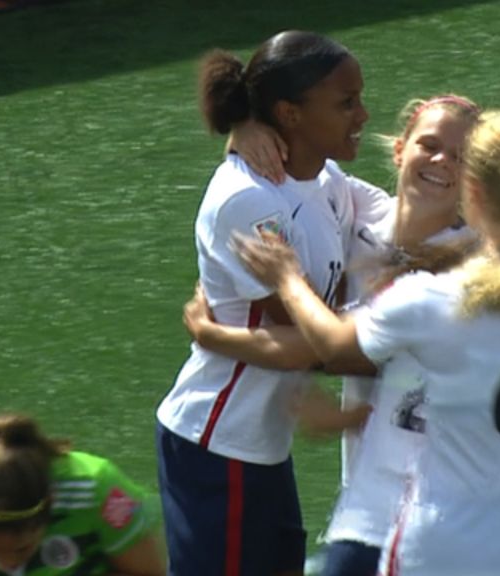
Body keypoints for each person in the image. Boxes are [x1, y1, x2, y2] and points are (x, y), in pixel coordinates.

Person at [232, 110, 500, 575]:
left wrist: (286, 277)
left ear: (473, 195)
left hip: (445, 547)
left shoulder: (434, 300)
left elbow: (335, 347)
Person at [155, 30, 380, 576]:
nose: (364, 115)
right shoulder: (250, 202)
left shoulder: (324, 179)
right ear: (290, 114)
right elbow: (310, 339)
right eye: (345, 103)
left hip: (261, 445)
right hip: (217, 446)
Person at [0, 414, 163, 576]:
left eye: (22, 548)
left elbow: (148, 573)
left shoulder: (97, 491)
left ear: (50, 507)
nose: (9, 564)